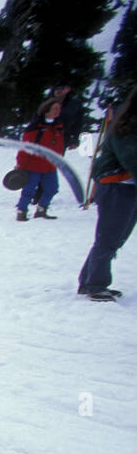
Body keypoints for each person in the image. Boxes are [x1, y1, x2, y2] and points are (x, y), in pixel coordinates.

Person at [77, 88, 136, 301]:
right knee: (109, 237)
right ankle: (95, 284)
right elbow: (132, 158)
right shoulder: (127, 125)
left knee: (115, 237)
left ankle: (89, 281)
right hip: (116, 187)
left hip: (129, 188)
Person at [14, 97, 66, 221]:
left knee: (52, 189)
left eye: (59, 109)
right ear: (46, 110)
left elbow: (59, 145)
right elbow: (25, 147)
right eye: (55, 109)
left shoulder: (58, 127)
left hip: (50, 165)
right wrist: (20, 164)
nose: (58, 111)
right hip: (33, 165)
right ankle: (21, 211)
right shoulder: (35, 128)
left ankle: (42, 210)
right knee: (29, 190)